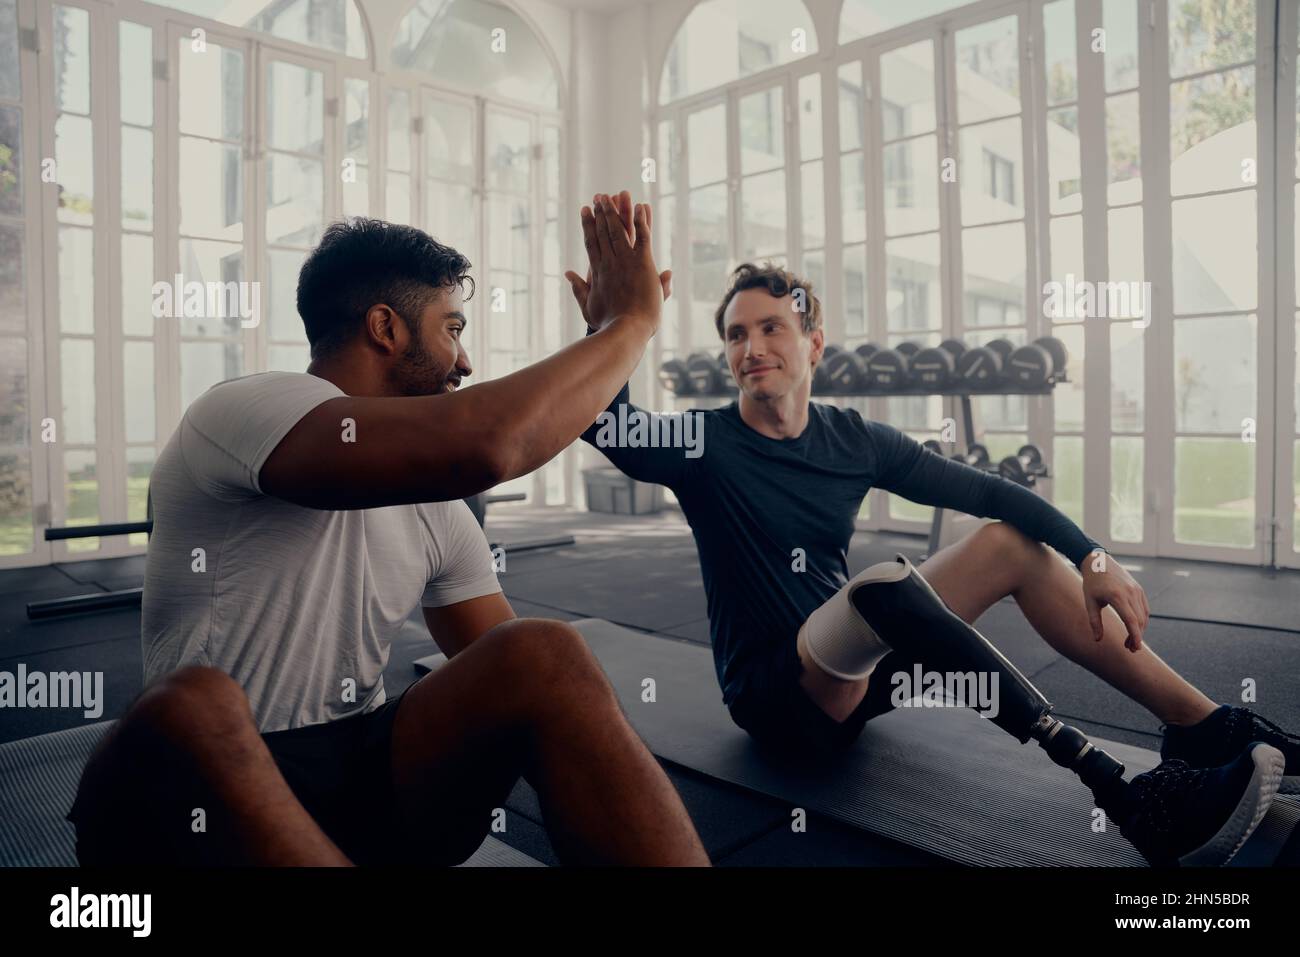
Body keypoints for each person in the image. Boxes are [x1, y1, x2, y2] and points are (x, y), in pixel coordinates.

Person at [572, 252, 1297, 866]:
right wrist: (617, 328)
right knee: (881, 591)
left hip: (861, 673)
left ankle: (1203, 725)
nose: (751, 346)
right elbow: (611, 424)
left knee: (1006, 545)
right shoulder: (706, 443)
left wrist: (1093, 555)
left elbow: (991, 492)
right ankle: (1125, 793)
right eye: (736, 334)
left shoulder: (853, 439)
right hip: (778, 699)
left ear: (814, 343)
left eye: (771, 327)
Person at [67, 195, 710, 867]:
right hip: (190, 801)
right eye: (451, 329)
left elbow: (518, 681)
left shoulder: (437, 512)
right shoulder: (244, 409)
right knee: (193, 706)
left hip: (361, 780)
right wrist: (628, 325)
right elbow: (491, 443)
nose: (464, 361)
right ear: (385, 328)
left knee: (544, 652)